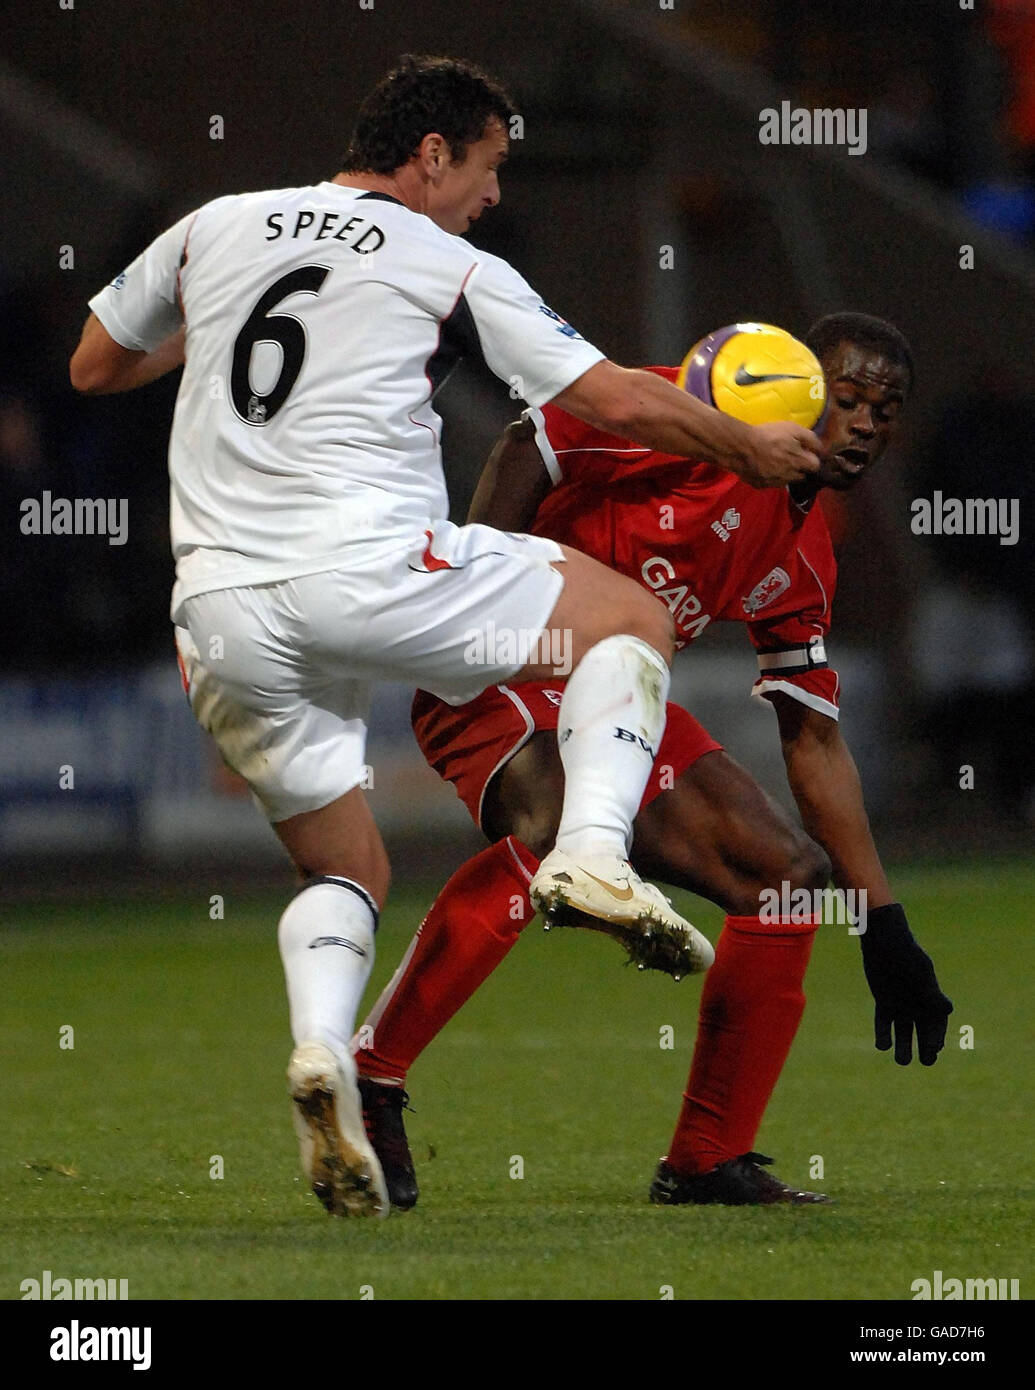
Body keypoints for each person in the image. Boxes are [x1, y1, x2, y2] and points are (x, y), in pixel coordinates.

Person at [68, 55, 823, 1220]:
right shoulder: (445, 258)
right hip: (371, 564)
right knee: (622, 615)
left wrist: (214, 327)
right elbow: (609, 396)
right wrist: (746, 445)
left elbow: (96, 363)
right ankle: (592, 849)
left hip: (218, 608)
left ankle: (324, 1054)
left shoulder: (215, 225)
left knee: (344, 865)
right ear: (433, 156)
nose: (491, 195)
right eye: (487, 167)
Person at [354, 313, 954, 1210]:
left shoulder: (802, 552)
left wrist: (882, 919)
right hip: (503, 666)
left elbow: (813, 739)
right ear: (790, 382)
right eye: (846, 396)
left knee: (784, 876)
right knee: (557, 827)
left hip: (619, 701)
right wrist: (478, 579)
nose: (863, 421)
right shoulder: (688, 415)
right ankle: (370, 1078)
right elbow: (534, 438)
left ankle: (706, 1161)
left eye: (886, 408)